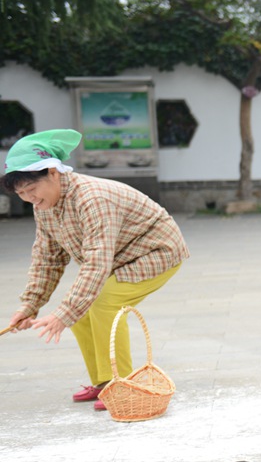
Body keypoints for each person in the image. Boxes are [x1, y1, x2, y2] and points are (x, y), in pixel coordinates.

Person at [2, 129, 189, 411]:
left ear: (53, 173)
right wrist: (30, 306)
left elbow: (96, 262)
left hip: (156, 251)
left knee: (102, 303)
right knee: (78, 311)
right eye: (21, 194)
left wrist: (64, 313)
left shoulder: (92, 198)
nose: (29, 199)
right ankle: (104, 383)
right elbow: (47, 258)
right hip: (118, 258)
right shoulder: (43, 205)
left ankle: (122, 385)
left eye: (31, 190)